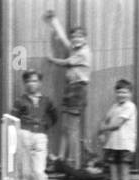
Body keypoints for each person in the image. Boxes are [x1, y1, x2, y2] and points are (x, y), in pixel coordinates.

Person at [45, 13, 93, 169]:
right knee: (66, 126)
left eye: (79, 37)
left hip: (78, 89)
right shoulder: (75, 48)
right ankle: (61, 158)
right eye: (74, 37)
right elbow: (65, 40)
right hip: (71, 88)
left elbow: (66, 63)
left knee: (71, 128)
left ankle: (72, 161)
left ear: (85, 39)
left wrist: (52, 60)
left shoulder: (83, 52)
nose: (75, 40)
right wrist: (54, 22)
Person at [12, 70, 59, 180]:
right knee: (26, 173)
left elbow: (54, 115)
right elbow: (13, 118)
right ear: (25, 84)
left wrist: (46, 125)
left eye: (35, 81)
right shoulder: (20, 101)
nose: (32, 84)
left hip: (39, 136)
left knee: (39, 172)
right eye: (29, 81)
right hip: (24, 135)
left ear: (40, 83)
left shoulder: (46, 100)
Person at [98, 80, 137, 180]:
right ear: (115, 93)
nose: (121, 94)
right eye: (119, 91)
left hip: (125, 146)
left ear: (130, 94)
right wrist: (102, 132)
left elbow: (116, 125)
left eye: (125, 92)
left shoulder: (130, 107)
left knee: (123, 178)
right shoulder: (114, 107)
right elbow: (105, 120)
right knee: (114, 179)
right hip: (112, 146)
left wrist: (102, 129)